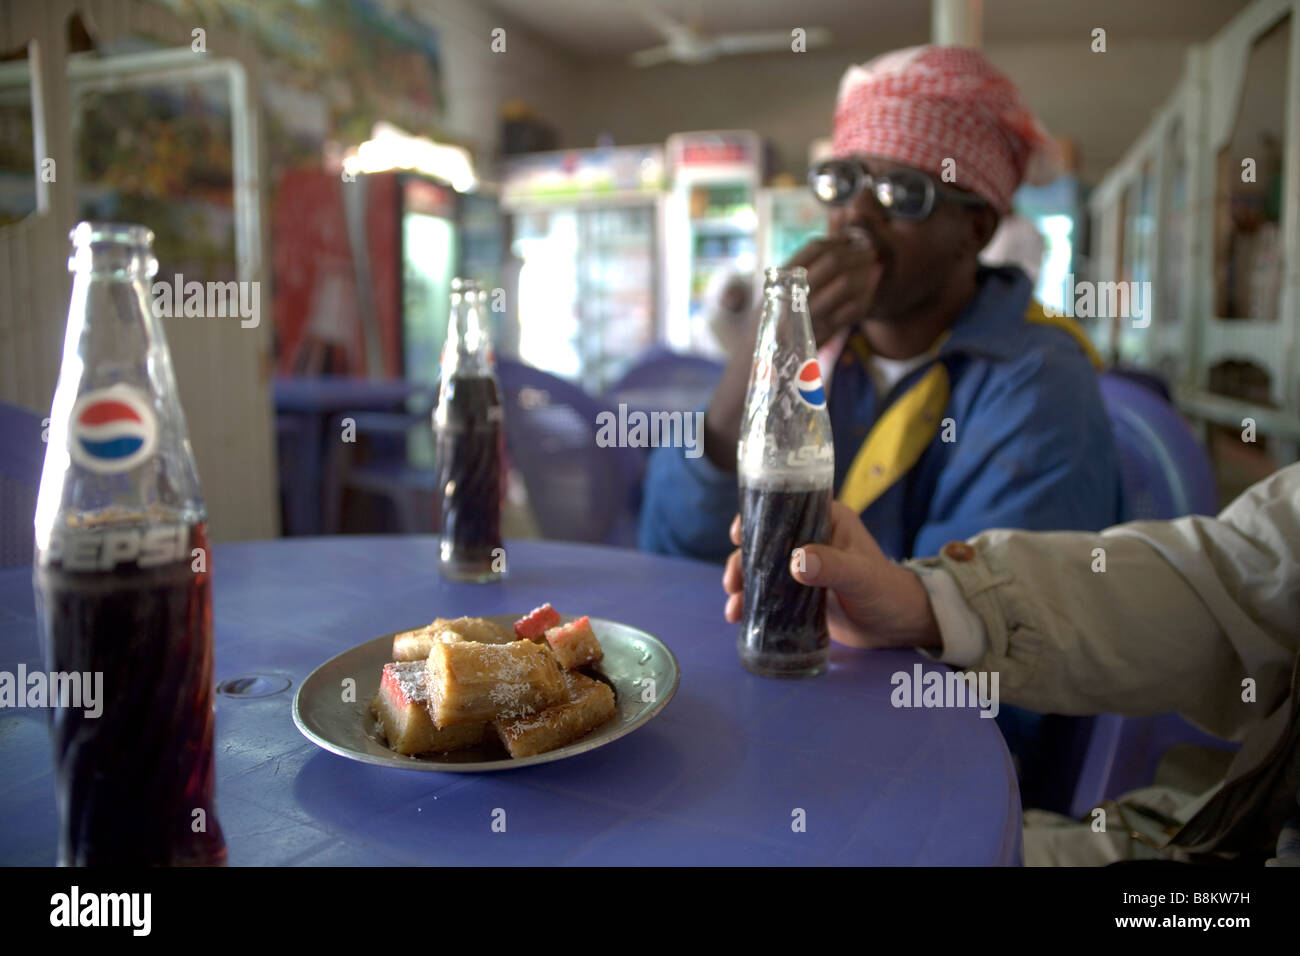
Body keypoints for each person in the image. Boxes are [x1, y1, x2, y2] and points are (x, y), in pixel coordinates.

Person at [639, 45, 1123, 565]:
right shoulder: (819, 353)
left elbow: (978, 616)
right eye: (843, 182)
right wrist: (758, 366)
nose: (857, 214)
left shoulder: (1038, 381)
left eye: (903, 193)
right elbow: (671, 552)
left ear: (976, 230)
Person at [719, 463, 1300, 866]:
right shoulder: (833, 363)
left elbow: (997, 732)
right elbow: (1241, 579)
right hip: (1201, 835)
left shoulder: (1035, 387)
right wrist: (927, 604)